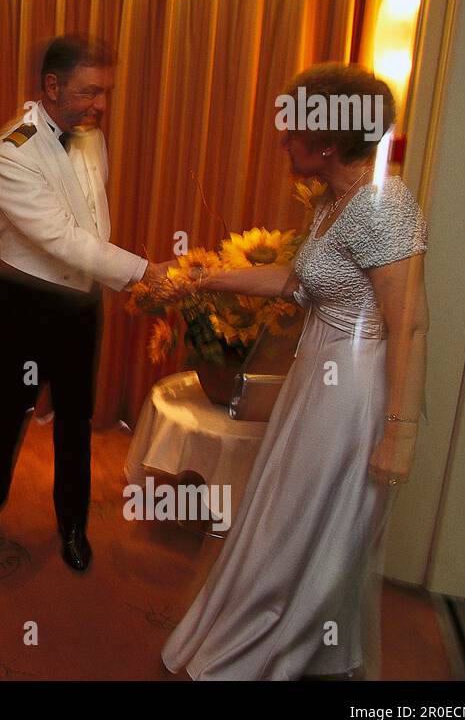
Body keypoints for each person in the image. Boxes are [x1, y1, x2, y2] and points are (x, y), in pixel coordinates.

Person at [160, 62, 428, 679]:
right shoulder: (342, 198)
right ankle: (278, 640)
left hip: (355, 392)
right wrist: (203, 278)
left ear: (328, 143)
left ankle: (284, 650)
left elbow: (409, 322)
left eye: (293, 131)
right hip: (320, 377)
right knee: (288, 515)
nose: (283, 140)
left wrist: (399, 433)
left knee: (307, 523)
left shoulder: (382, 209)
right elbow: (300, 281)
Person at [0, 35, 171, 571]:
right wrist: (143, 273)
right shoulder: (10, 151)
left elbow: (92, 221)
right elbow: (61, 238)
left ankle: (72, 523)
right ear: (52, 86)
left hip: (80, 304)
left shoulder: (90, 137)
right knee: (9, 414)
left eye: (105, 92)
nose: (101, 105)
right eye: (90, 91)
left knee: (77, 416)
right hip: (26, 303)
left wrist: (106, 280)